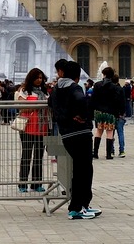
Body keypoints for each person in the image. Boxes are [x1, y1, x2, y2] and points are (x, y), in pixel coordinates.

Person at [48, 60, 102, 220]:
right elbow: (81, 100)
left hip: (66, 134)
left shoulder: (56, 88)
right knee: (84, 171)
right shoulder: (74, 87)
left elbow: (50, 103)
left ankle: (81, 206)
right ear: (77, 76)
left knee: (79, 170)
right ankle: (77, 208)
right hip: (80, 133)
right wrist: (83, 116)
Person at [16, 68, 49, 192]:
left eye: (41, 78)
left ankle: (37, 183)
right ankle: (23, 184)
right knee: (26, 155)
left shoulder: (44, 92)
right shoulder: (25, 91)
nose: (39, 80)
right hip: (27, 128)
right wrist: (38, 104)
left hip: (42, 128)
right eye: (37, 78)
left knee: (39, 157)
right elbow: (22, 107)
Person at [90, 66, 124, 160]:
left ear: (104, 74)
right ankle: (108, 154)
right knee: (109, 132)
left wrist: (92, 110)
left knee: (99, 131)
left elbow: (93, 99)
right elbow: (117, 101)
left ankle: (95, 153)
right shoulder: (114, 87)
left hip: (99, 112)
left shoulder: (97, 85)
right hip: (110, 112)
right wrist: (119, 112)